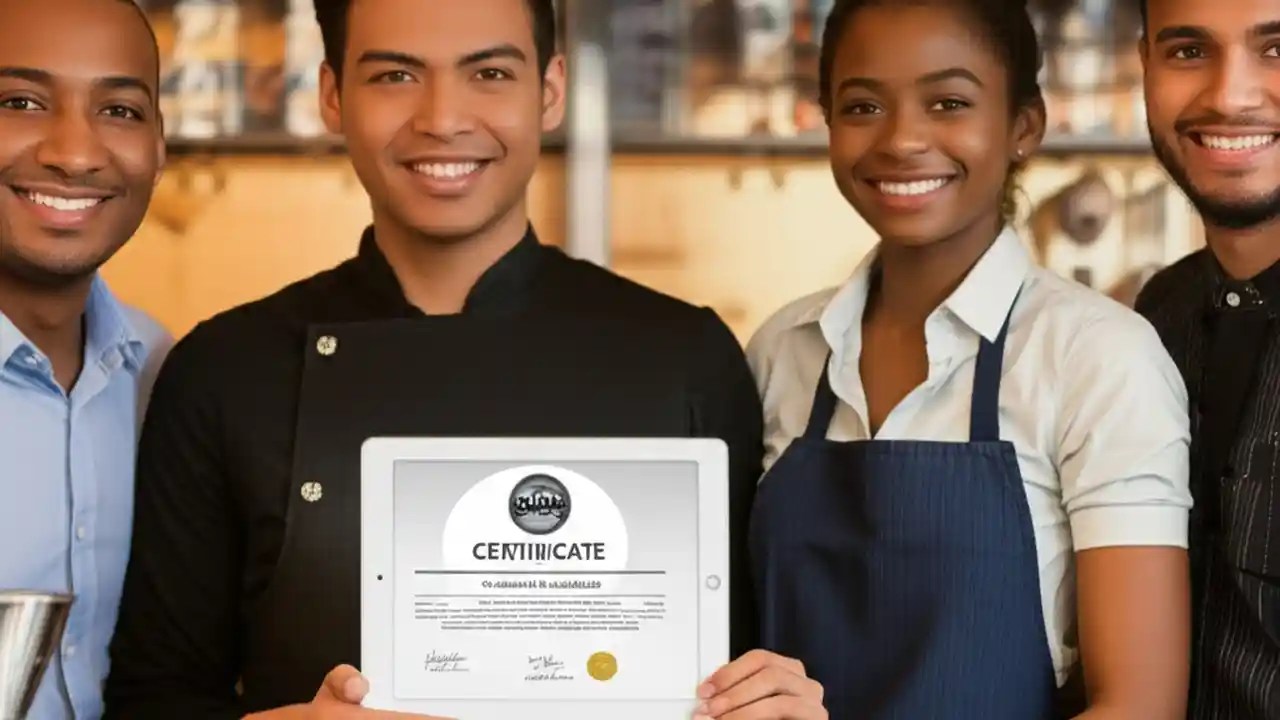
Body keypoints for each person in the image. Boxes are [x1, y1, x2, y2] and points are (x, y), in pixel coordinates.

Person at [102, 0, 769, 717]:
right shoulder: (226, 369)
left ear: (549, 91)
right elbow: (153, 698)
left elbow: (739, 668)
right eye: (395, 75)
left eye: (488, 72)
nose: (442, 117)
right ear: (332, 95)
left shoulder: (688, 359)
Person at [698, 0, 1196, 718]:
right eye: (864, 104)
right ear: (827, 121)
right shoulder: (784, 350)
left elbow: (1140, 707)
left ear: (1025, 125)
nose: (902, 139)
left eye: (949, 101)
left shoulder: (1097, 358)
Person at [0, 0, 171, 718]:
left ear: (162, 145)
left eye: (121, 110)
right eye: (20, 101)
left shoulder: (165, 372)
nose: (74, 152)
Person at [1135, 0, 1280, 716]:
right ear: (1143, 68)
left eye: (1277, 48)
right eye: (1189, 51)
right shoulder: (1157, 315)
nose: (1229, 96)